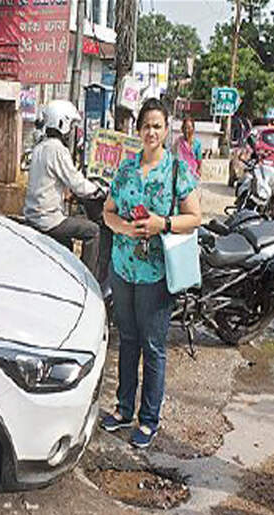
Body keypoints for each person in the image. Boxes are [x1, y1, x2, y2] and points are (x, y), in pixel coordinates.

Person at [99, 98, 202, 449]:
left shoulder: (176, 170)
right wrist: (124, 229)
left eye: (158, 125)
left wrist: (164, 223)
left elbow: (195, 217)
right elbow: (107, 212)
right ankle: (123, 408)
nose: (151, 131)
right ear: (138, 130)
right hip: (123, 269)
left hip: (156, 273)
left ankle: (148, 419)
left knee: (153, 346)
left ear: (166, 129)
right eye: (146, 125)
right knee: (126, 340)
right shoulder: (126, 170)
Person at [23, 100, 104, 282]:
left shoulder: (39, 148)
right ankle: (87, 280)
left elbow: (54, 181)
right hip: (48, 220)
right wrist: (99, 191)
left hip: (33, 215)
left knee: (67, 243)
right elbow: (77, 183)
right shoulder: (57, 150)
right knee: (94, 231)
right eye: (71, 125)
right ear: (62, 123)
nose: (72, 131)